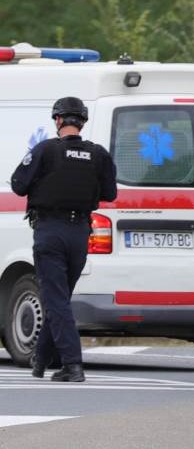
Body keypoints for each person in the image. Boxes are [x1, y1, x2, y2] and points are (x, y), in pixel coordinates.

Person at [11, 96, 117, 382]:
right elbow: (109, 194)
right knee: (59, 298)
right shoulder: (99, 154)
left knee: (55, 300)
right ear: (82, 122)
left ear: (58, 120)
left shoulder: (45, 150)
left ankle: (72, 364)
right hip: (80, 233)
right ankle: (41, 360)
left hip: (50, 232)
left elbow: (18, 184)